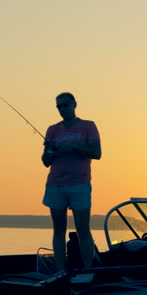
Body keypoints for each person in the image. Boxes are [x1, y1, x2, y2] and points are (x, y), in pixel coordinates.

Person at [41, 92, 101, 271]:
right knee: (58, 230)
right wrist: (49, 151)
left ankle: (88, 270)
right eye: (58, 106)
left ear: (75, 104)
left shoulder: (88, 126)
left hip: (80, 184)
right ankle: (60, 270)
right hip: (55, 185)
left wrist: (74, 146)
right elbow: (45, 162)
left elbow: (97, 153)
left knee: (83, 229)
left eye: (65, 105)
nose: (62, 109)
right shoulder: (52, 129)